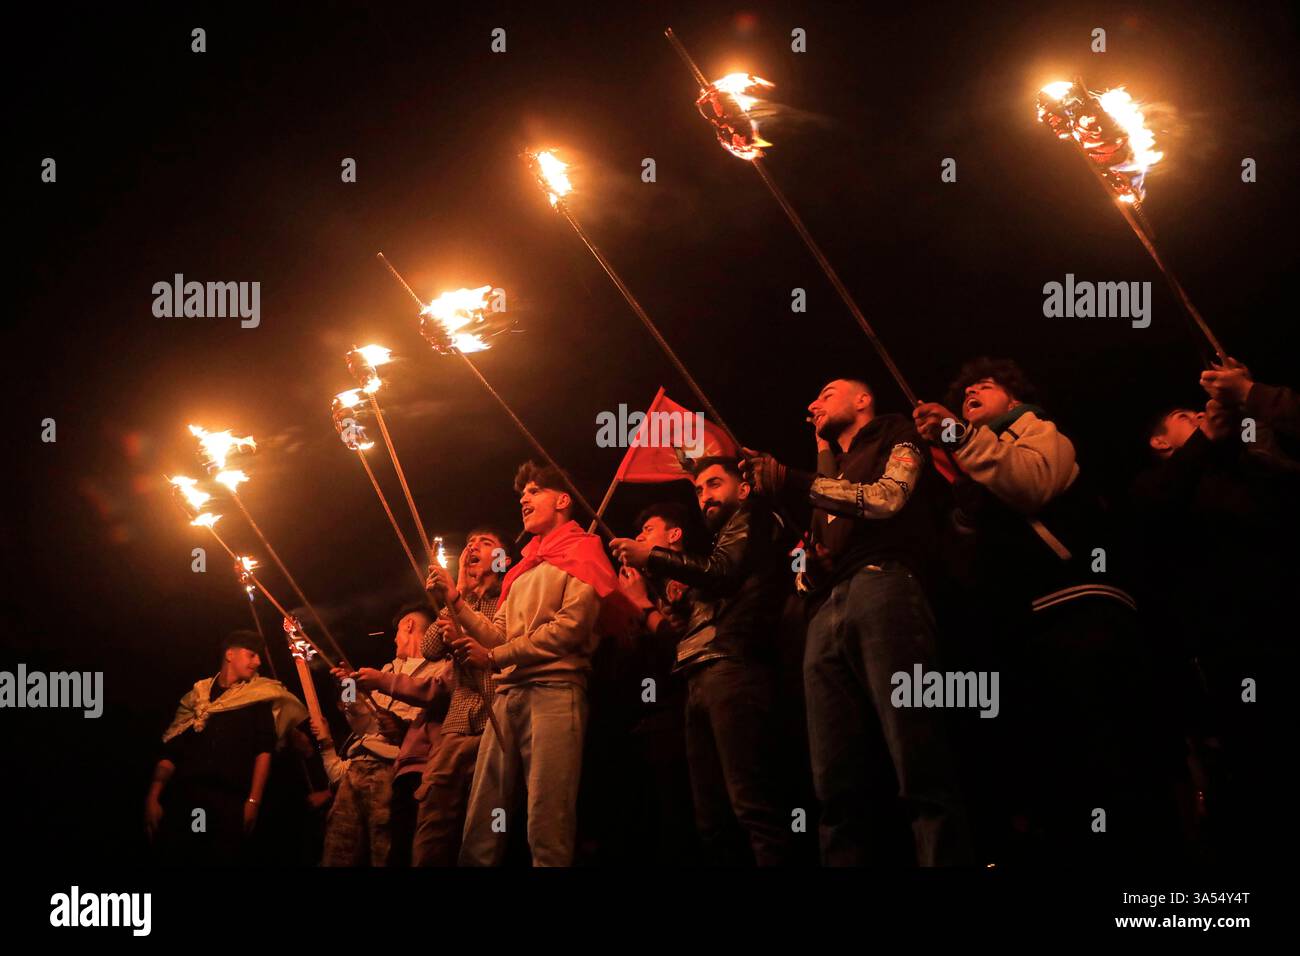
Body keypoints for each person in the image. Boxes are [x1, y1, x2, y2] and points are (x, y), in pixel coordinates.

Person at [915, 358, 1176, 861]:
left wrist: (960, 434)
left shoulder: (1036, 430)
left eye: (984, 386)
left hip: (1080, 615)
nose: (970, 391)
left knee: (1116, 769)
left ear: (1012, 399)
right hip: (1022, 631)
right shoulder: (970, 466)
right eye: (964, 391)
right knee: (1058, 781)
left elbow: (1032, 483)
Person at [743, 378, 972, 866]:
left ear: (863, 399)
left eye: (825, 393)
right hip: (827, 608)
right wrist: (808, 566)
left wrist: (793, 478)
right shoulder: (832, 469)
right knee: (834, 781)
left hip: (884, 584)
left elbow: (888, 497)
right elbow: (810, 552)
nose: (813, 402)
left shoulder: (897, 433)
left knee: (916, 753)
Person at [427, 461, 619, 866]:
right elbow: (498, 633)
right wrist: (456, 600)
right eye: (522, 495)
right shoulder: (522, 567)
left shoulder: (584, 551)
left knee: (546, 820)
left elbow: (570, 628)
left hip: (555, 693)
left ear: (563, 500)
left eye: (534, 491)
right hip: (508, 697)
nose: (524, 499)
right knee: (482, 819)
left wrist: (493, 657)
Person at [612, 459, 797, 865]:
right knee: (711, 819)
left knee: (753, 807)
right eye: (698, 489)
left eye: (715, 484)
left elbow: (723, 573)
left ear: (745, 488)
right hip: (700, 674)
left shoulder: (754, 519)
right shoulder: (717, 547)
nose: (705, 496)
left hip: (732, 667)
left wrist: (652, 558)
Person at [146, 629, 307, 865]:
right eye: (251, 655)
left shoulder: (258, 697)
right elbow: (173, 750)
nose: (258, 662)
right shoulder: (197, 697)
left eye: (259, 656)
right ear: (230, 655)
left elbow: (264, 752)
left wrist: (253, 802)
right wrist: (153, 796)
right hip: (187, 798)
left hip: (229, 803)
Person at [410, 527, 511, 866]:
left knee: (489, 817)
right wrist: (458, 595)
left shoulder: (511, 597)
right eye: (469, 544)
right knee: (434, 816)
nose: (473, 547)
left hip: (494, 723)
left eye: (486, 543)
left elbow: (503, 645)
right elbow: (429, 648)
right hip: (456, 726)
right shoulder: (460, 600)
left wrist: (465, 628)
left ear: (502, 560)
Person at [319, 603, 444, 866]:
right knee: (338, 850)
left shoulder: (438, 670)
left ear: (408, 625)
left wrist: (399, 726)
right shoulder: (386, 670)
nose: (394, 639)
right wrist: (349, 689)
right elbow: (364, 725)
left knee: (384, 851)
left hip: (391, 770)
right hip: (357, 767)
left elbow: (427, 722)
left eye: (397, 631)